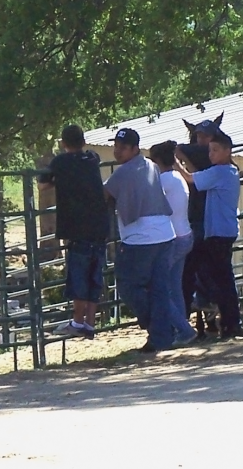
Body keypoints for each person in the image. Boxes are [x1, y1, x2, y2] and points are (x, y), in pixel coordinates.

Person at [103, 128, 177, 352]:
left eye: (123, 147)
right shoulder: (151, 166)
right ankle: (162, 336)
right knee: (159, 288)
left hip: (140, 237)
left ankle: (154, 325)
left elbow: (104, 195)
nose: (118, 151)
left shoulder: (123, 172)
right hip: (165, 232)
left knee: (127, 284)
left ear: (135, 149)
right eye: (116, 146)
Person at [38, 125, 112, 340]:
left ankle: (77, 321)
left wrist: (57, 180)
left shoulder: (60, 162)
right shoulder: (92, 159)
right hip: (99, 226)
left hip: (77, 228)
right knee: (94, 276)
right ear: (83, 141)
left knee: (78, 277)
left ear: (63, 143)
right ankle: (89, 322)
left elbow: (43, 185)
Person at [174, 130, 243, 339]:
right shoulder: (229, 171)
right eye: (210, 150)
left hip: (218, 232)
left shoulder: (220, 172)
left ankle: (230, 322)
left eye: (215, 150)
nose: (211, 154)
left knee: (221, 279)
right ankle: (228, 321)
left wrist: (176, 161)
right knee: (221, 277)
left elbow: (189, 178)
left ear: (226, 151)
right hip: (224, 230)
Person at [148, 141, 197, 347]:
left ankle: (184, 329)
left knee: (156, 287)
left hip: (172, 239)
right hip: (185, 234)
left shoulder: (162, 181)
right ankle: (181, 327)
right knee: (174, 286)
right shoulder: (177, 177)